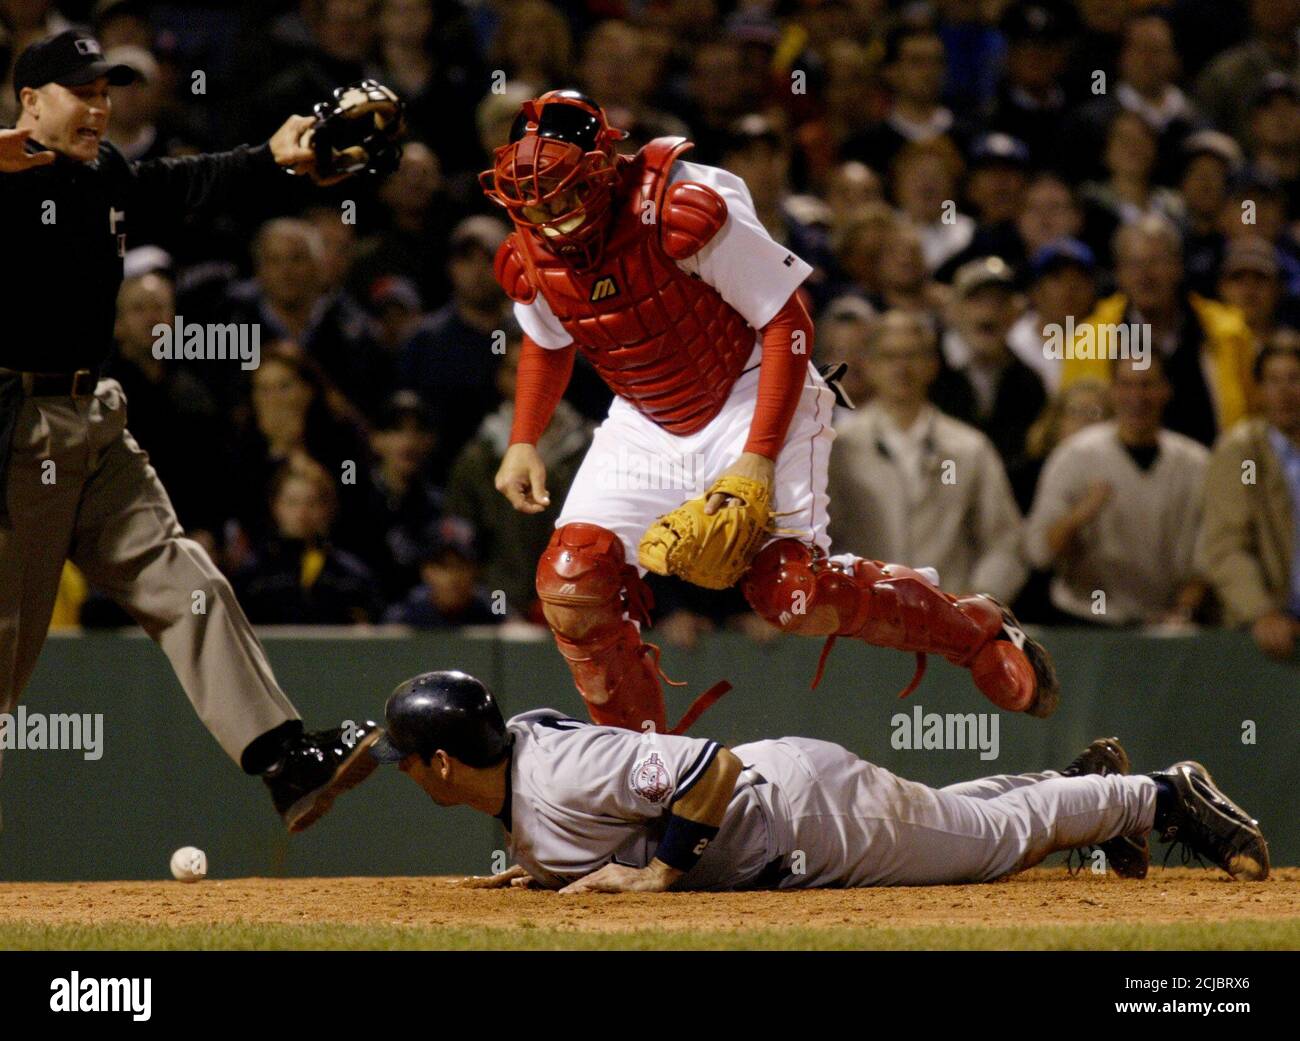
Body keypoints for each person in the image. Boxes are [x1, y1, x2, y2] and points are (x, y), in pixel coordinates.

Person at [481, 90, 1058, 735]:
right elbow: (547, 342)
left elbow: (788, 322)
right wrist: (524, 439)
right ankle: (640, 760)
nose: (545, 214)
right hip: (643, 418)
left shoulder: (681, 204)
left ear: (599, 170)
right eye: (531, 200)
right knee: (573, 581)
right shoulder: (530, 249)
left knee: (792, 596)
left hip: (750, 387)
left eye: (559, 194)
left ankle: (971, 629)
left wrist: (756, 457)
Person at [0, 29, 382, 833]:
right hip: (16, 431)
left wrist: (273, 158)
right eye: (81, 92)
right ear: (29, 101)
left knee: (186, 579)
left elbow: (179, 184)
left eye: (106, 92)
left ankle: (283, 757)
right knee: (7, 647)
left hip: (92, 421)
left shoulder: (101, 172)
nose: (100, 107)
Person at [372, 670, 1271, 893]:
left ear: (442, 762)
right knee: (960, 818)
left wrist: (661, 873)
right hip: (792, 803)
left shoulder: (560, 769)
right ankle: (1082, 788)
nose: (402, 770)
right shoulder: (522, 760)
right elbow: (599, 818)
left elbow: (707, 765)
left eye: (406, 758)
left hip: (808, 818)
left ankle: (1161, 793)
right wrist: (550, 866)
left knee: (991, 847)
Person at [828, 311, 1027, 605]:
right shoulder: (839, 448)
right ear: (869, 365)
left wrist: (975, 604)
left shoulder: (968, 448)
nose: (901, 368)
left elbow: (1005, 540)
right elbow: (822, 539)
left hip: (948, 617)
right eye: (889, 356)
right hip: (864, 617)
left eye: (912, 355)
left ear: (933, 365)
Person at [1026, 355, 1209, 627]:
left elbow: (1209, 555)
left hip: (1169, 622)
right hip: (1086, 619)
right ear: (1112, 390)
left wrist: (1183, 611)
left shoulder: (1195, 462)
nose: (1137, 396)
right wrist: (1079, 516)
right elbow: (1039, 551)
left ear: (1165, 390)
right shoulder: (1075, 455)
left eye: (1146, 385)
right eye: (1126, 385)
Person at [1197, 338, 1300, 660]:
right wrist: (1260, 612)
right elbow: (1227, 545)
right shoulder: (1241, 453)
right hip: (1265, 625)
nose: (1285, 392)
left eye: (1294, 379)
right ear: (1259, 390)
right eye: (1273, 381)